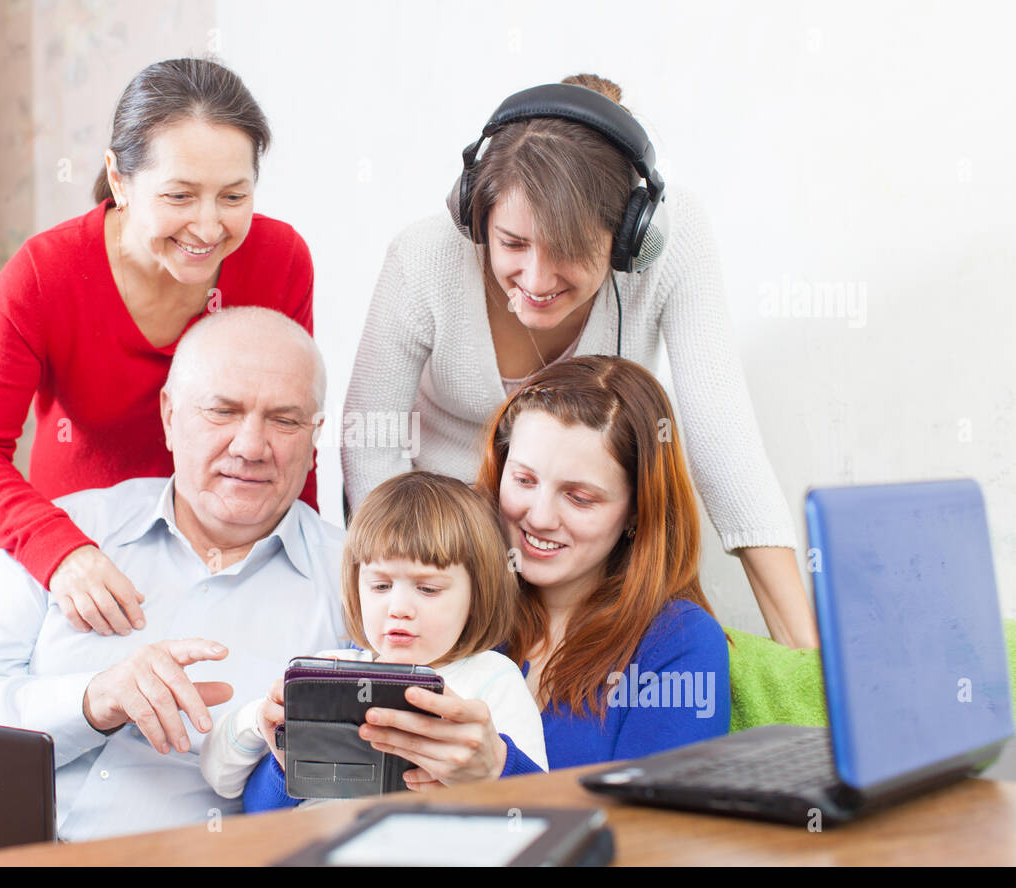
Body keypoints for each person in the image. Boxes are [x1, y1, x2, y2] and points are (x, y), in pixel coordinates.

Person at [342, 72, 817, 648]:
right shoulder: (424, 257)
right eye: (513, 244)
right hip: (444, 558)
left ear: (630, 238)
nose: (536, 280)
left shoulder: (674, 242)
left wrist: (807, 654)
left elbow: (725, 442)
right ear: (476, 214)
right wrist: (417, 597)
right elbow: (371, 444)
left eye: (568, 251)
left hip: (588, 554)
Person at [0, 308, 347, 841]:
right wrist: (91, 701)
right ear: (169, 417)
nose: (250, 447)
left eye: (285, 420)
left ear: (315, 436)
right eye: (222, 411)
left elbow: (372, 791)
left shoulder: (360, 587)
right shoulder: (63, 534)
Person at [0, 57, 318, 641]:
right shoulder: (46, 274)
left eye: (233, 196)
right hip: (88, 562)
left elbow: (290, 430)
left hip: (235, 555)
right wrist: (60, 551)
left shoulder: (279, 259)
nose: (208, 227)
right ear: (119, 179)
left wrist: (312, 569)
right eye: (179, 196)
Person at [330, 356, 730, 790]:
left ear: (638, 509)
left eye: (579, 498)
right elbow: (289, 806)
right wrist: (284, 757)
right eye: (523, 480)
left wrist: (499, 772)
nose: (539, 518)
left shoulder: (679, 643)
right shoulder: (435, 601)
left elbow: (656, 827)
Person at [195, 471, 548, 810]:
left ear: (478, 595)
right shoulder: (329, 671)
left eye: (428, 588)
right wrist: (261, 726)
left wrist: (495, 768)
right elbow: (235, 793)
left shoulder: (492, 679)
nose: (398, 609)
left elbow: (542, 805)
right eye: (380, 586)